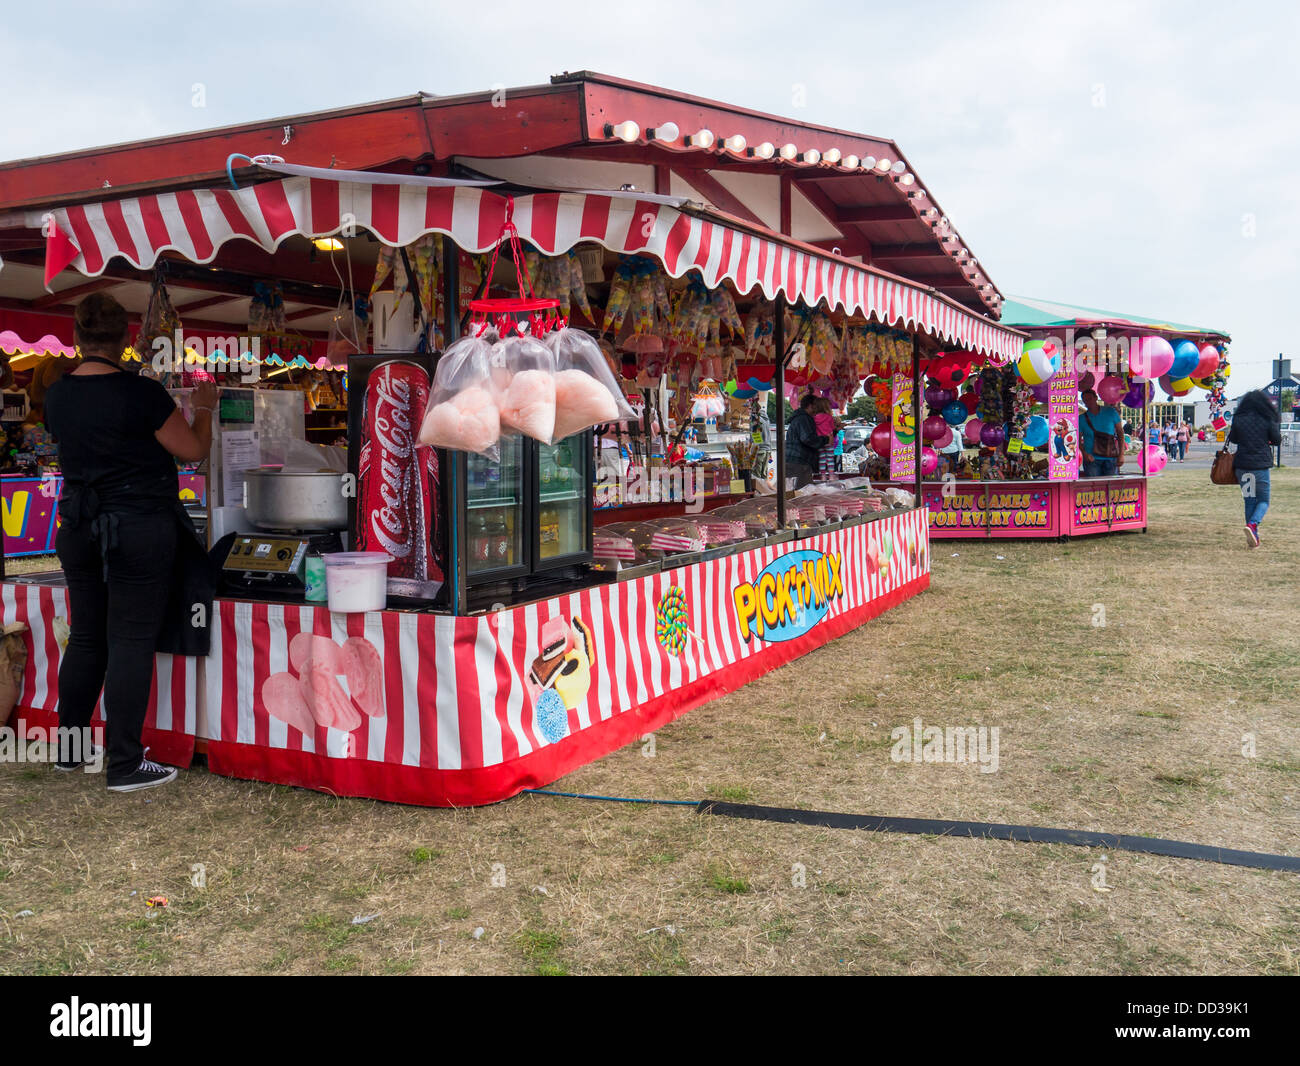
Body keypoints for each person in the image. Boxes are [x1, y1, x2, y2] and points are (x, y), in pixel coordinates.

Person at [43, 294, 217, 792]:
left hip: (77, 524)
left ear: (76, 337)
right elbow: (193, 450)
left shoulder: (57, 395)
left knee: (87, 636)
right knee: (129, 640)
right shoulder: (141, 394)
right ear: (126, 339)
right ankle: (123, 763)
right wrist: (203, 409)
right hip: (137, 526)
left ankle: (71, 751)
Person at [1228, 390, 1281, 548]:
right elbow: (1276, 440)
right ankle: (1252, 525)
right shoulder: (1267, 417)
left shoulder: (1239, 418)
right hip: (1260, 466)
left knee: (1249, 500)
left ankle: (1253, 537)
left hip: (1243, 466)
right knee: (1263, 500)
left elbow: (1234, 439)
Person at [784, 393, 829, 488]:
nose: (817, 409)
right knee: (802, 495)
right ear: (810, 406)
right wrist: (826, 439)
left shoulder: (799, 418)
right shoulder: (804, 418)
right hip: (800, 464)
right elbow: (808, 438)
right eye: (816, 406)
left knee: (792, 493)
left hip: (793, 462)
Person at [1079, 388, 1124, 478]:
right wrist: (1085, 454)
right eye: (1085, 400)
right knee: (1093, 488)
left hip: (1111, 458)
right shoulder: (1081, 418)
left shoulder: (1111, 412)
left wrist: (1121, 454)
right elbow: (1077, 439)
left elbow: (1120, 433)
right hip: (1091, 460)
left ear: (1096, 398)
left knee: (1112, 488)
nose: (1088, 402)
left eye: (1090, 399)